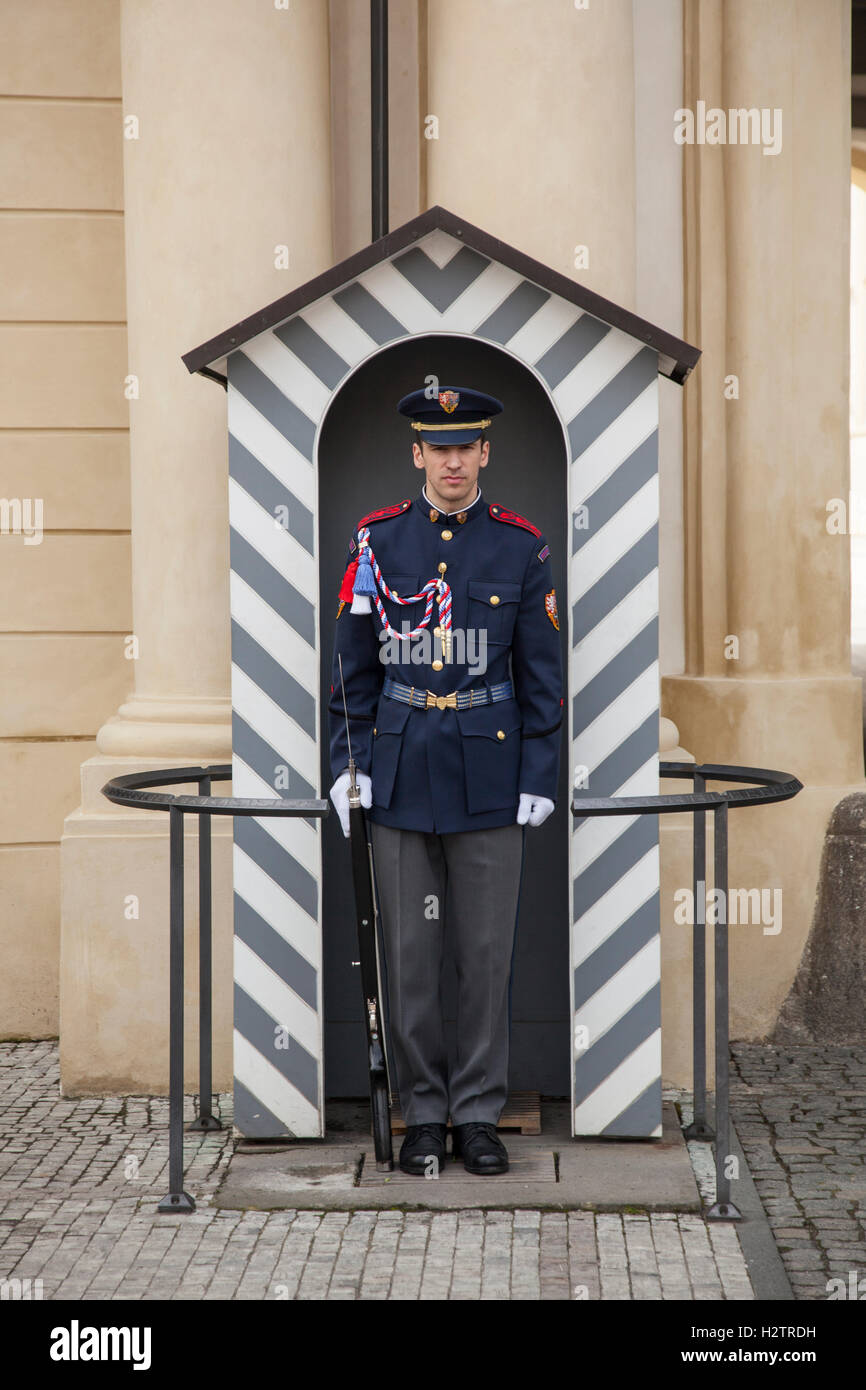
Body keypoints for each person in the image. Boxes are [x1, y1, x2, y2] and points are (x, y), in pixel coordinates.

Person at [328, 385, 563, 1176]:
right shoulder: (376, 543)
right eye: (439, 446)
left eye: (468, 446)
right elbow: (351, 674)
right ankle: (422, 1112)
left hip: (490, 774)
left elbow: (542, 679)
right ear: (417, 453)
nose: (454, 459)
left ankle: (477, 1114)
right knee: (410, 956)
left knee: (485, 954)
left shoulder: (520, 548)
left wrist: (539, 771)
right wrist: (344, 766)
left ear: (485, 453)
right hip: (397, 770)